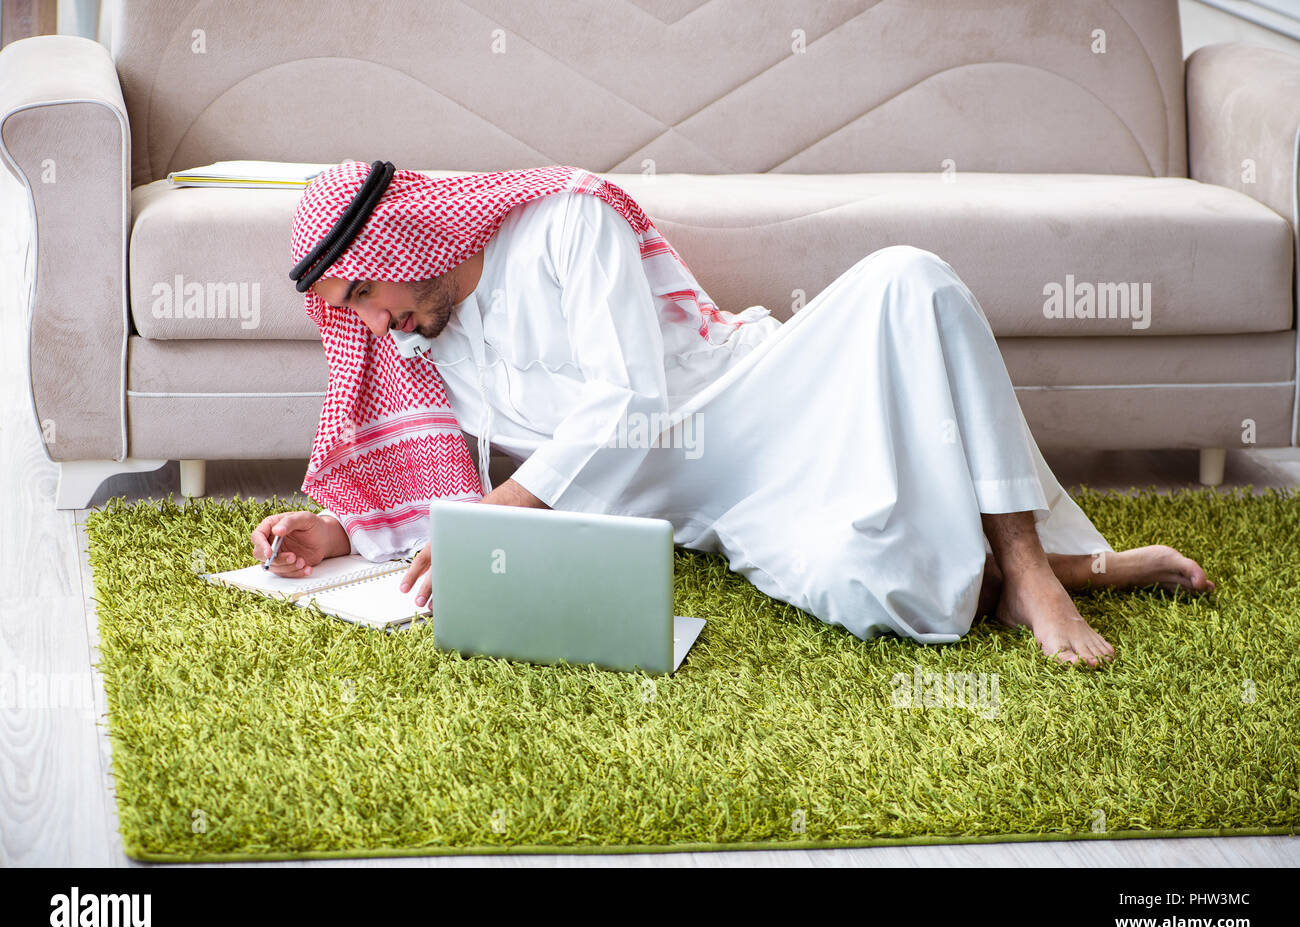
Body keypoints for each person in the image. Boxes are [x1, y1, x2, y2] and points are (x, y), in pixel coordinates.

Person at [252, 163, 1215, 668]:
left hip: (762, 393)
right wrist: (335, 527)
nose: (375, 324)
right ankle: (1050, 578)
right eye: (353, 314)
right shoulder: (427, 336)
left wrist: (513, 502)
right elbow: (434, 477)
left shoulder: (564, 227)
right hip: (706, 504)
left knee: (910, 279)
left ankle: (1031, 566)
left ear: (406, 235)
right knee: (893, 597)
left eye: (366, 290)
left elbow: (629, 399)